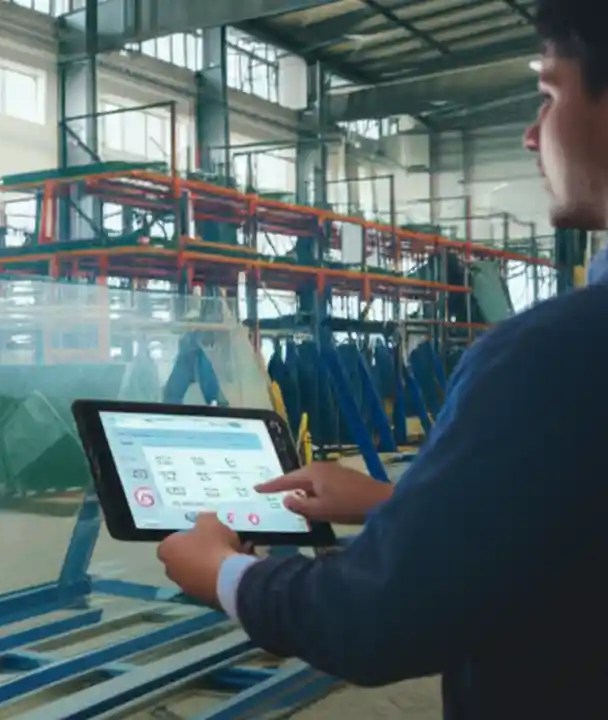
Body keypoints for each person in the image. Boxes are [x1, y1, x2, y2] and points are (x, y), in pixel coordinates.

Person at [154, 1, 608, 718]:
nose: (531, 134)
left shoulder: (549, 355)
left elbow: (376, 619)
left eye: (548, 96)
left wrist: (224, 573)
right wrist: (397, 504)